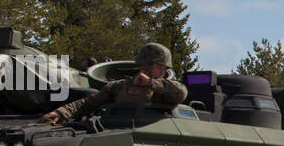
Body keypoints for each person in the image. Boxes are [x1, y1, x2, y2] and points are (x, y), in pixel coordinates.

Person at [42, 43, 187, 125]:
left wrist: (151, 83)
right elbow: (88, 103)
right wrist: (60, 113)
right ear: (147, 65)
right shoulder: (118, 86)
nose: (163, 72)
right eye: (160, 67)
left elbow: (181, 92)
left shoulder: (163, 90)